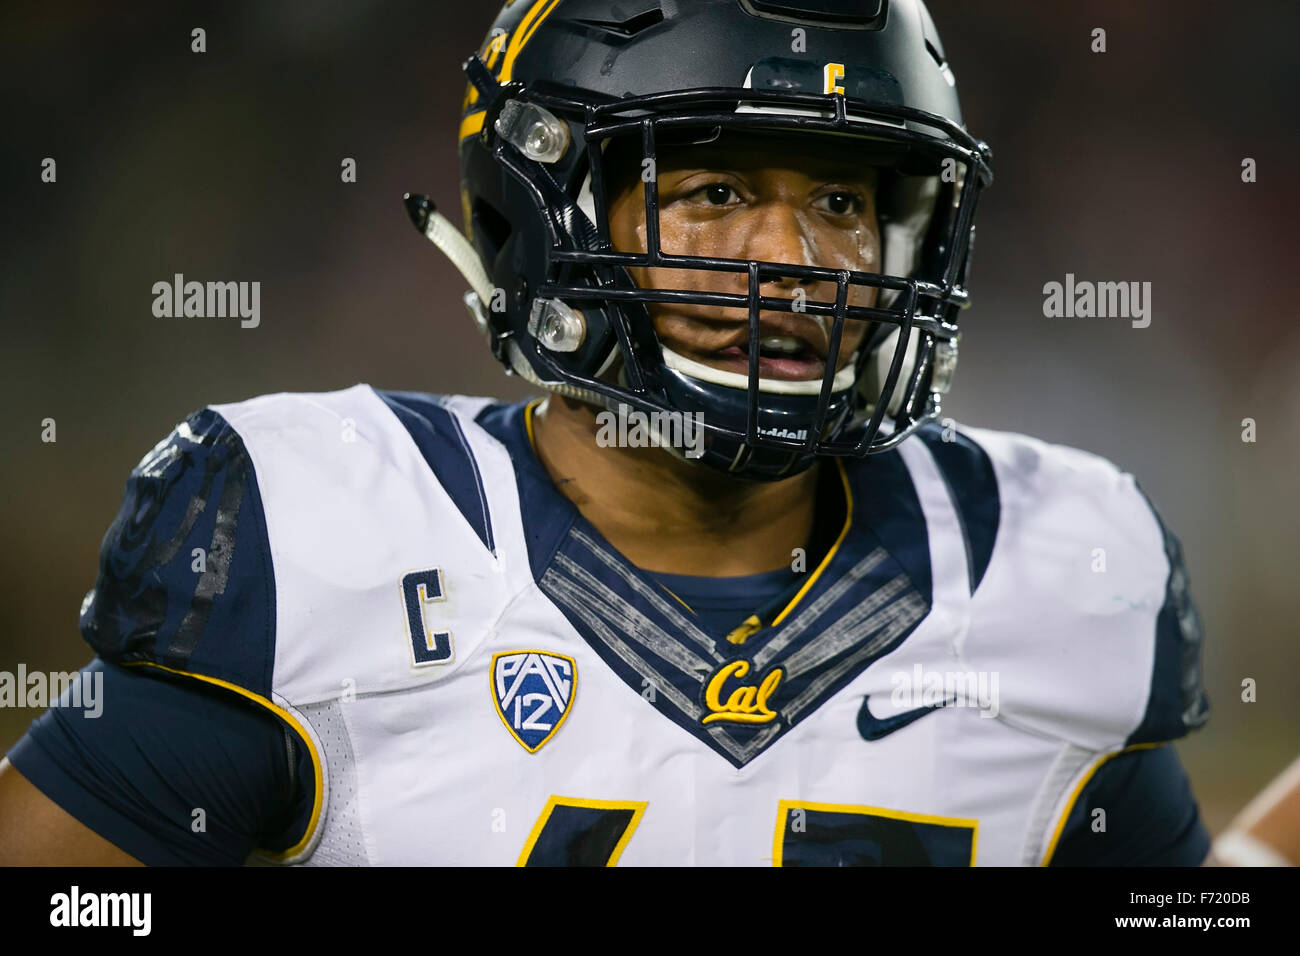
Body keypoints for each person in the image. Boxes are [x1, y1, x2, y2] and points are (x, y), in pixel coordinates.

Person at [0, 0, 1210, 866]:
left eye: (839, 200)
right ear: (542, 213)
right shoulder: (322, 542)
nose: (790, 265)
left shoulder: (1046, 573)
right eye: (715, 193)